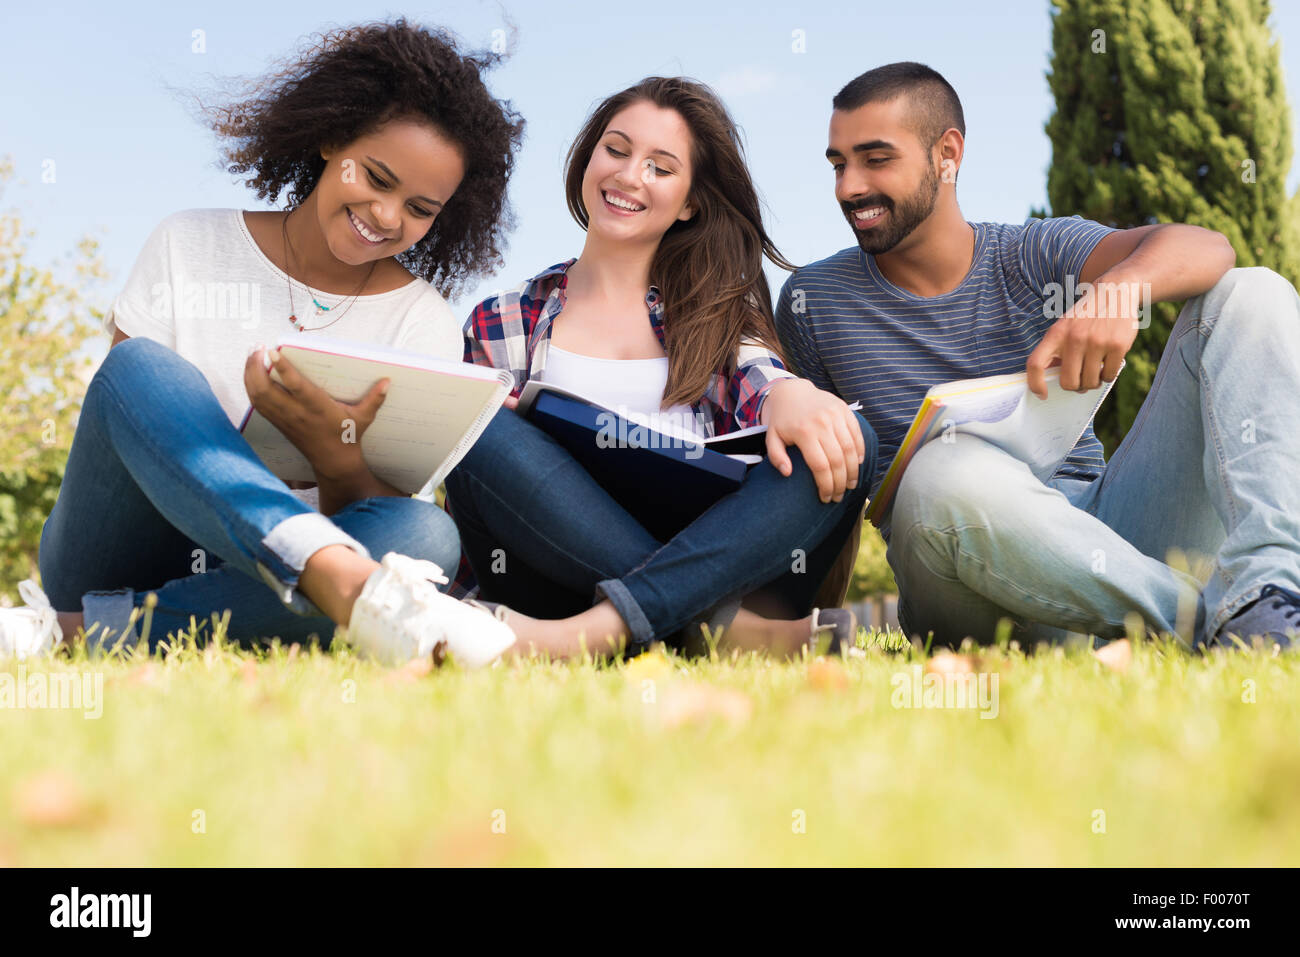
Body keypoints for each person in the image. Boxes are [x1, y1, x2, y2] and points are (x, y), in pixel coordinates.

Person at [0, 20, 523, 666]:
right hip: (117, 551)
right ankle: (346, 584)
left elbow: (380, 517)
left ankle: (75, 631)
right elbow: (125, 419)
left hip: (252, 583)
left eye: (420, 208)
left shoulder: (422, 322)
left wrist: (335, 458)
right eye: (377, 178)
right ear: (334, 138)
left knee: (424, 533)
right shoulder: (186, 244)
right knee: (139, 367)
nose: (387, 217)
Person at [774, 61, 1300, 651]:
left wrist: (1118, 291)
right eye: (839, 165)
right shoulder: (810, 302)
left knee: (1252, 292)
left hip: (1107, 540)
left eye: (876, 159)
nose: (849, 187)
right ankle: (1211, 622)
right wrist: (804, 620)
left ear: (947, 154)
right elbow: (825, 489)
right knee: (940, 471)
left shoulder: (1031, 253)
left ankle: (1269, 598)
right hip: (965, 572)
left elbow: (1207, 247)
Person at [447, 77, 878, 661]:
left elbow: (764, 383)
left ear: (692, 201)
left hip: (722, 558)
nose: (628, 177)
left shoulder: (722, 315)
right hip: (551, 579)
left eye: (661, 167)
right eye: (617, 150)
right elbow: (488, 491)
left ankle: (601, 636)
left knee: (852, 439)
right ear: (588, 157)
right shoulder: (503, 318)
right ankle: (722, 631)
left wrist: (791, 394)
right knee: (473, 425)